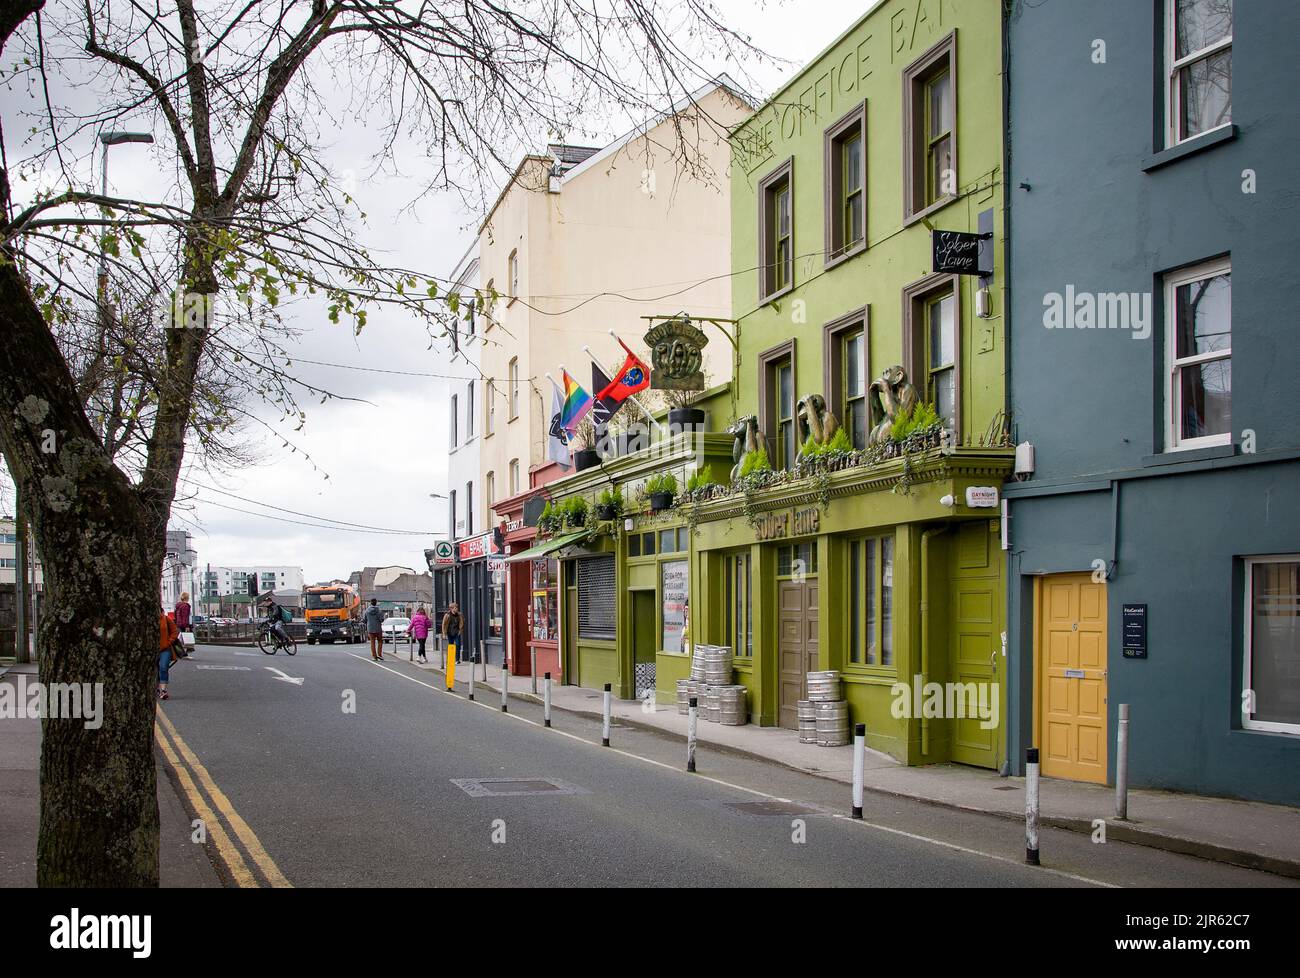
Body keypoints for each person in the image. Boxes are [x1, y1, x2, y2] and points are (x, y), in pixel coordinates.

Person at [158, 606, 180, 700]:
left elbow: (175, 631)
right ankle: (156, 689)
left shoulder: (166, 619)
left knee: (163, 667)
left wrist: (169, 642)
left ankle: (163, 690)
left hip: (165, 648)